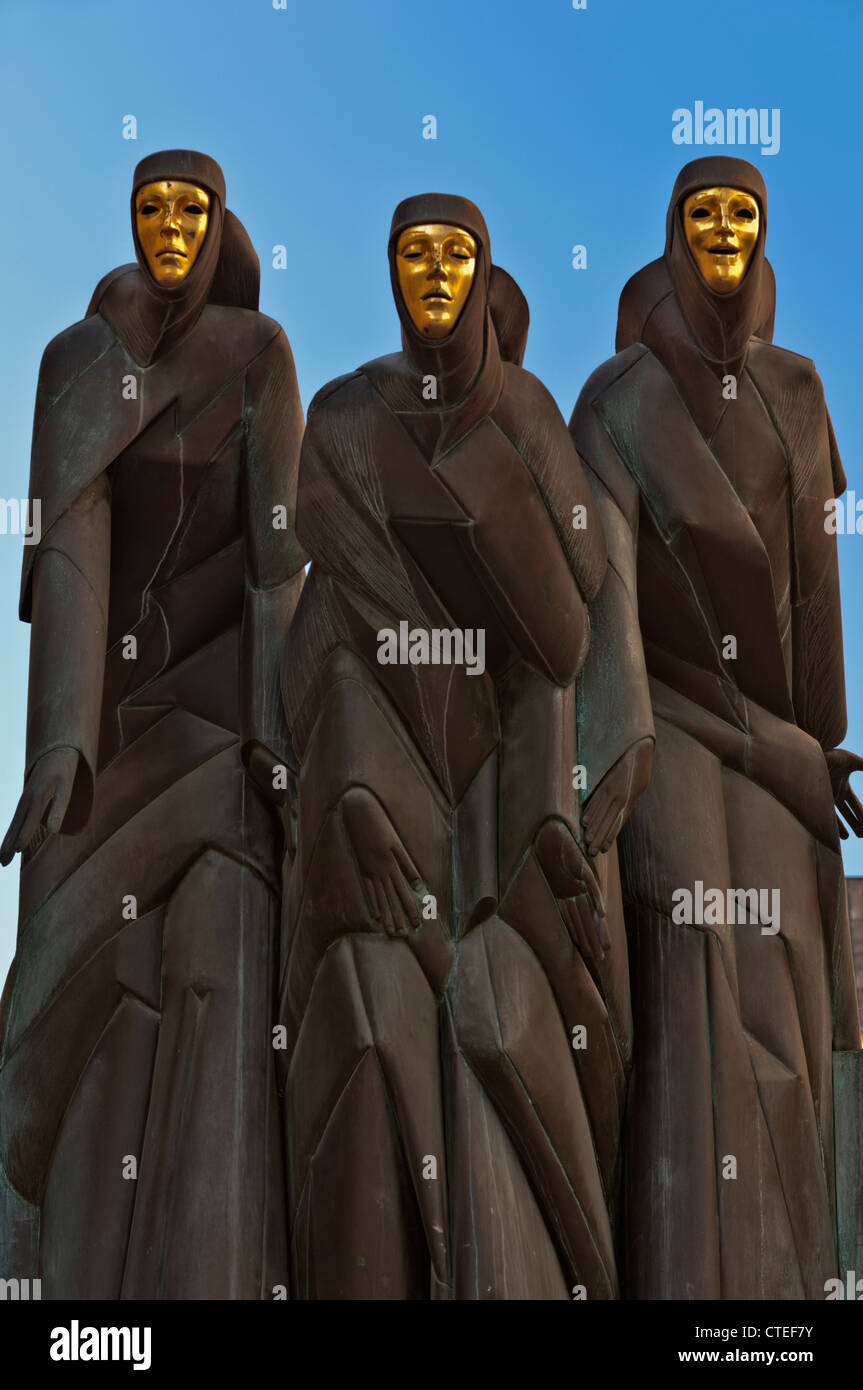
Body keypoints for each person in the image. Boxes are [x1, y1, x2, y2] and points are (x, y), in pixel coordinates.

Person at [278, 193, 648, 1299]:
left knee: (508, 1000)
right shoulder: (343, 425)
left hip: (510, 787)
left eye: (456, 255)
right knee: (367, 996)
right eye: (412, 253)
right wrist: (350, 794)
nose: (434, 272)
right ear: (389, 274)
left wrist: (545, 818)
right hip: (382, 785)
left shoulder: (527, 417)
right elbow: (328, 646)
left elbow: (570, 636)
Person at [0, 149, 305, 1299]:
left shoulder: (257, 358)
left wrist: (277, 739)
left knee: (220, 950)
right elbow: (71, 545)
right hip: (105, 740)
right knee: (92, 994)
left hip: (221, 723)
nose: (171, 224)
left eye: (191, 208)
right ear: (130, 222)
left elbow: (281, 564)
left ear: (218, 220)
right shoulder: (78, 360)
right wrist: (59, 743)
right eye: (151, 207)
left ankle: (208, 1272)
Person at [569, 155, 863, 1299]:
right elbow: (608, 604)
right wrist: (622, 734)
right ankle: (688, 1283)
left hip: (779, 743)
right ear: (673, 236)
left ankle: (785, 1299)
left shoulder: (796, 392)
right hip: (670, 721)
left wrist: (820, 743)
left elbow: (814, 586)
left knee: (784, 958)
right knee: (692, 944)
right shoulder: (615, 399)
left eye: (741, 211)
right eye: (704, 213)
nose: (724, 229)